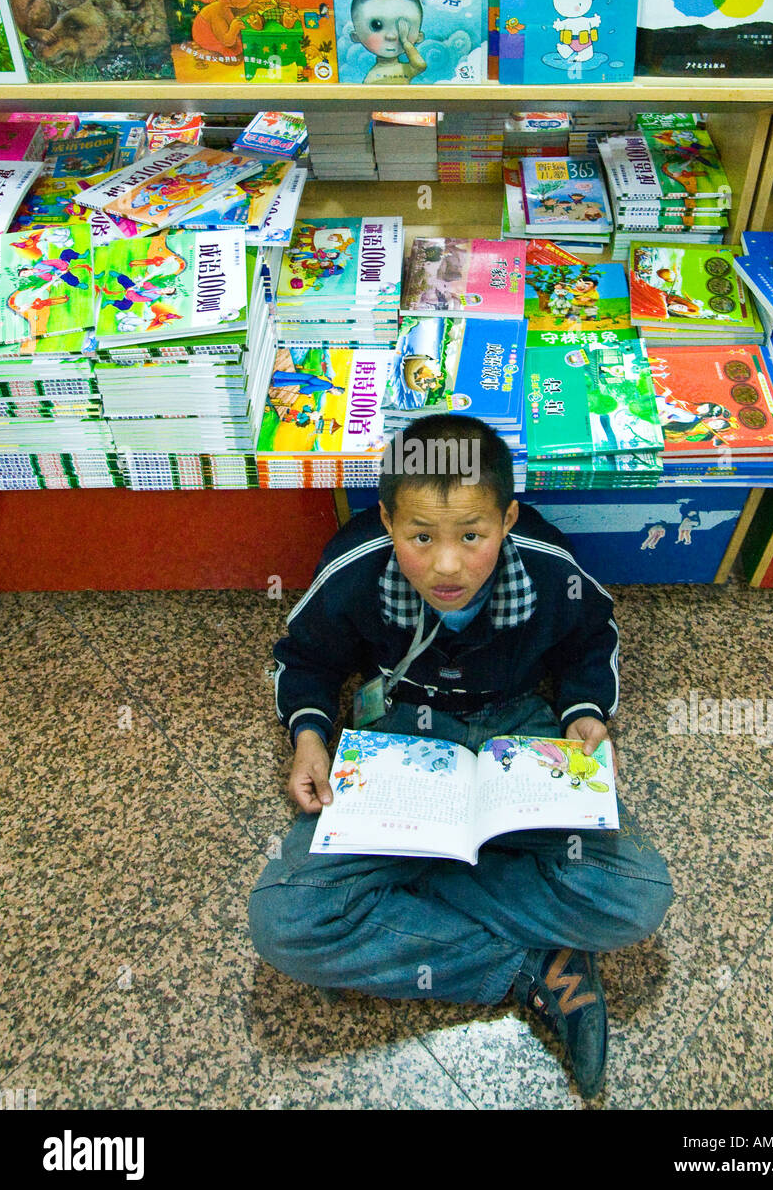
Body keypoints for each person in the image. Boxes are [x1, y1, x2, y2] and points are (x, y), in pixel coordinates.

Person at [249, 415, 673, 1098]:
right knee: (284, 921)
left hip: (520, 732)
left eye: (472, 536)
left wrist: (585, 714)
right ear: (386, 520)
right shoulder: (355, 568)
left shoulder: (545, 563)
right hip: (400, 742)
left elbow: (590, 641)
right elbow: (305, 658)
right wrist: (307, 736)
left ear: (507, 518)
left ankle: (413, 893)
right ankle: (528, 963)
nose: (447, 565)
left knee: (641, 894)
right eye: (420, 537)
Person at [348, 0, 428, 85]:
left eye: (403, 26)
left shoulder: (406, 69)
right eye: (376, 26)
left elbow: (420, 65)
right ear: (355, 36)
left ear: (419, 36)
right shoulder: (372, 75)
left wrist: (405, 42)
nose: (391, 36)